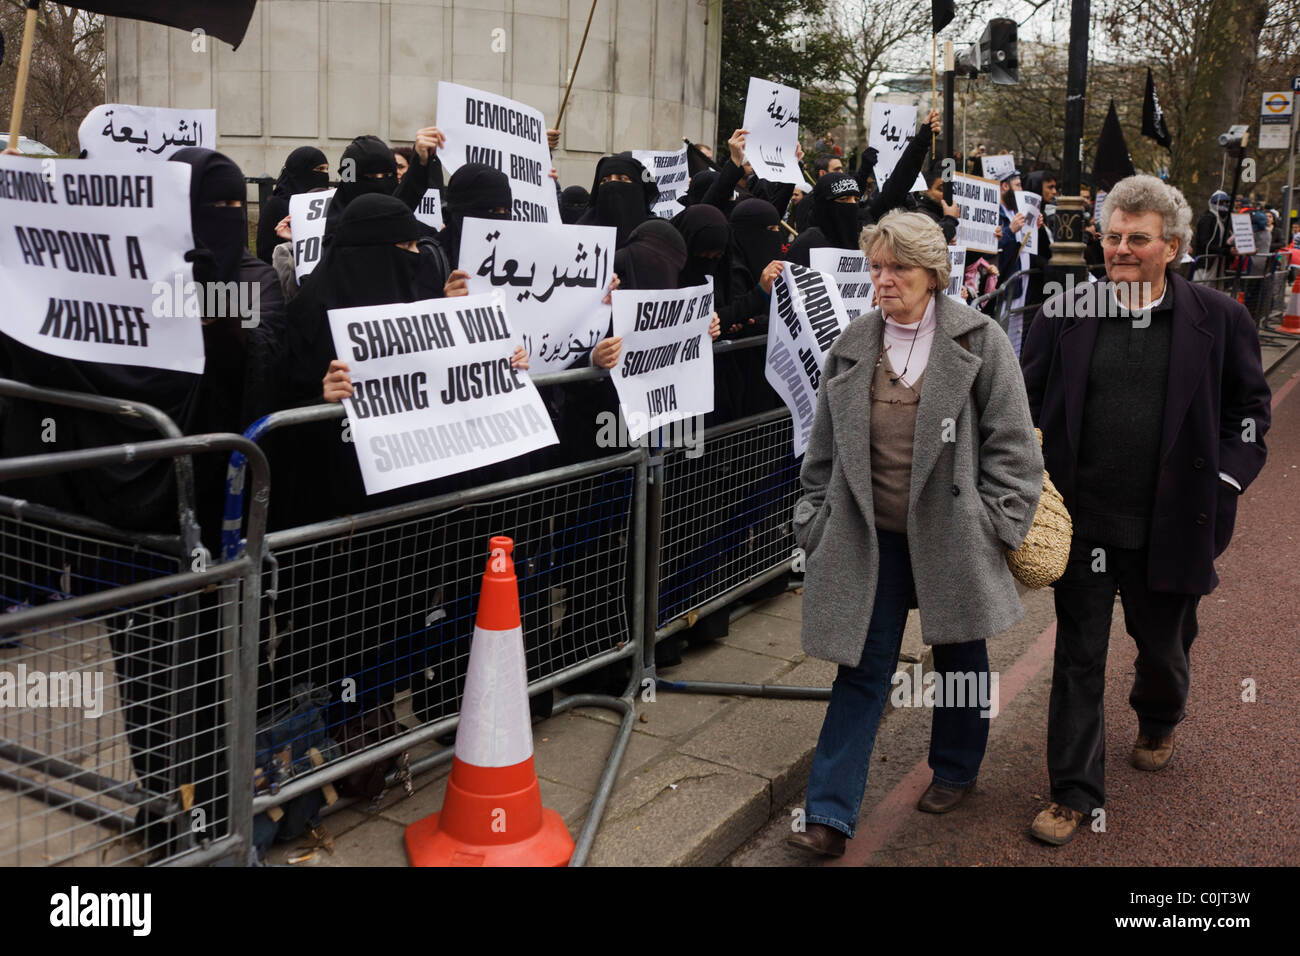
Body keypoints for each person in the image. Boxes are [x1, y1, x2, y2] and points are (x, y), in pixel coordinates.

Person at [1019, 174, 1271, 846]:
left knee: (1162, 650)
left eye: (1137, 238)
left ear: (1172, 246)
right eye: (1112, 236)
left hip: (1174, 525)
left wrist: (1222, 479)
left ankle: (1159, 716)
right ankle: (1073, 792)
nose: (1121, 249)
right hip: (1082, 527)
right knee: (1078, 657)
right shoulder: (1064, 311)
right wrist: (1025, 479)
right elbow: (1027, 402)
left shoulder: (1220, 319)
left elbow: (1249, 415)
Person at [787, 210, 1042, 856]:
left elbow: (1014, 448)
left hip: (954, 534)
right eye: (876, 267)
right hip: (869, 538)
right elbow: (821, 454)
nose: (883, 279)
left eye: (898, 267)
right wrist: (812, 520)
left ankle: (956, 768)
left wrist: (997, 524)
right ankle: (827, 815)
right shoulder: (854, 344)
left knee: (959, 653)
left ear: (933, 274)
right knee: (862, 672)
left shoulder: (980, 342)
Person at [256, 146, 329, 264]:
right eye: (320, 169)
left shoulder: (328, 204)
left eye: (326, 169)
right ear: (301, 170)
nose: (325, 174)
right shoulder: (276, 206)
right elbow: (265, 254)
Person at [577, 152, 657, 247]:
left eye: (622, 179)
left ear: (639, 187)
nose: (612, 184)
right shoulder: (581, 233)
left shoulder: (657, 234)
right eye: (605, 181)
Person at [1192, 190, 1231, 284]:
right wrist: (1226, 251)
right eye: (1221, 202)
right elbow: (1205, 243)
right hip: (1205, 263)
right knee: (1200, 287)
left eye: (1226, 202)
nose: (1224, 205)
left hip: (1217, 263)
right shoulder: (1207, 219)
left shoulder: (1222, 221)